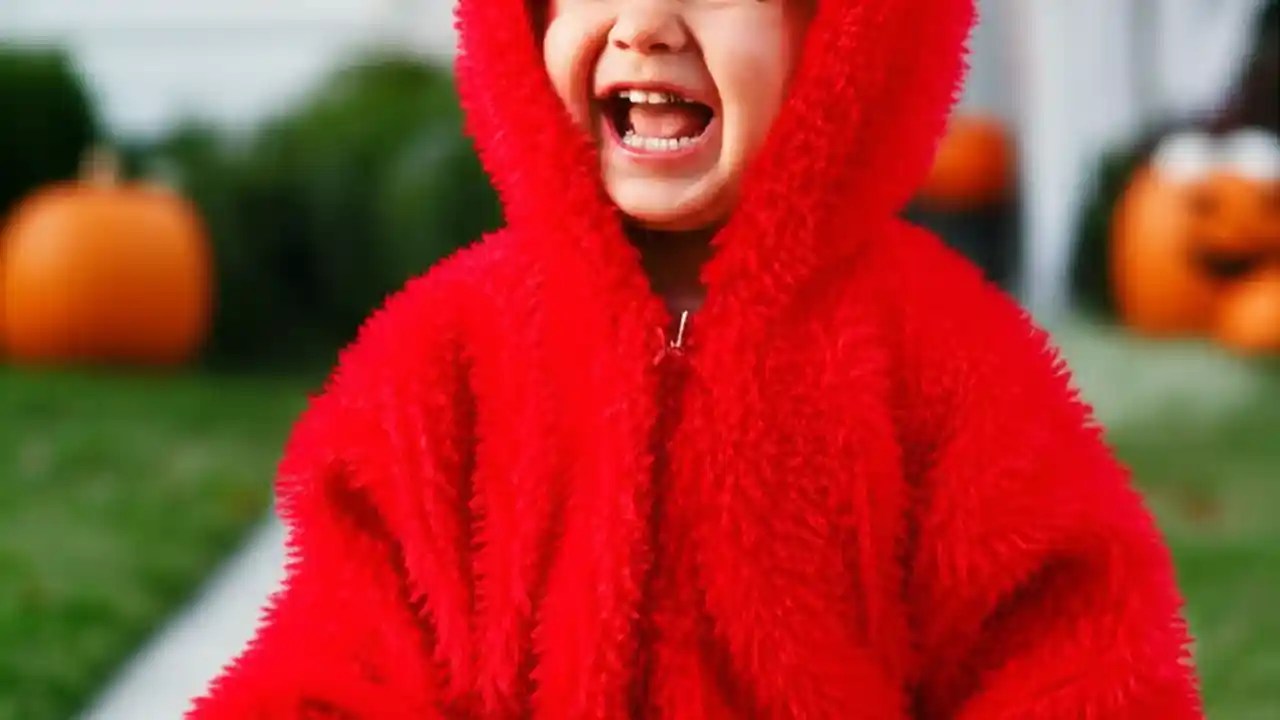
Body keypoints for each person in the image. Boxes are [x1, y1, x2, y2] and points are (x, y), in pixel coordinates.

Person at [189, 0, 1204, 717]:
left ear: (838, 35)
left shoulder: (944, 365)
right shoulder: (440, 362)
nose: (645, 24)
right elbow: (342, 659)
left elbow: (1073, 663)